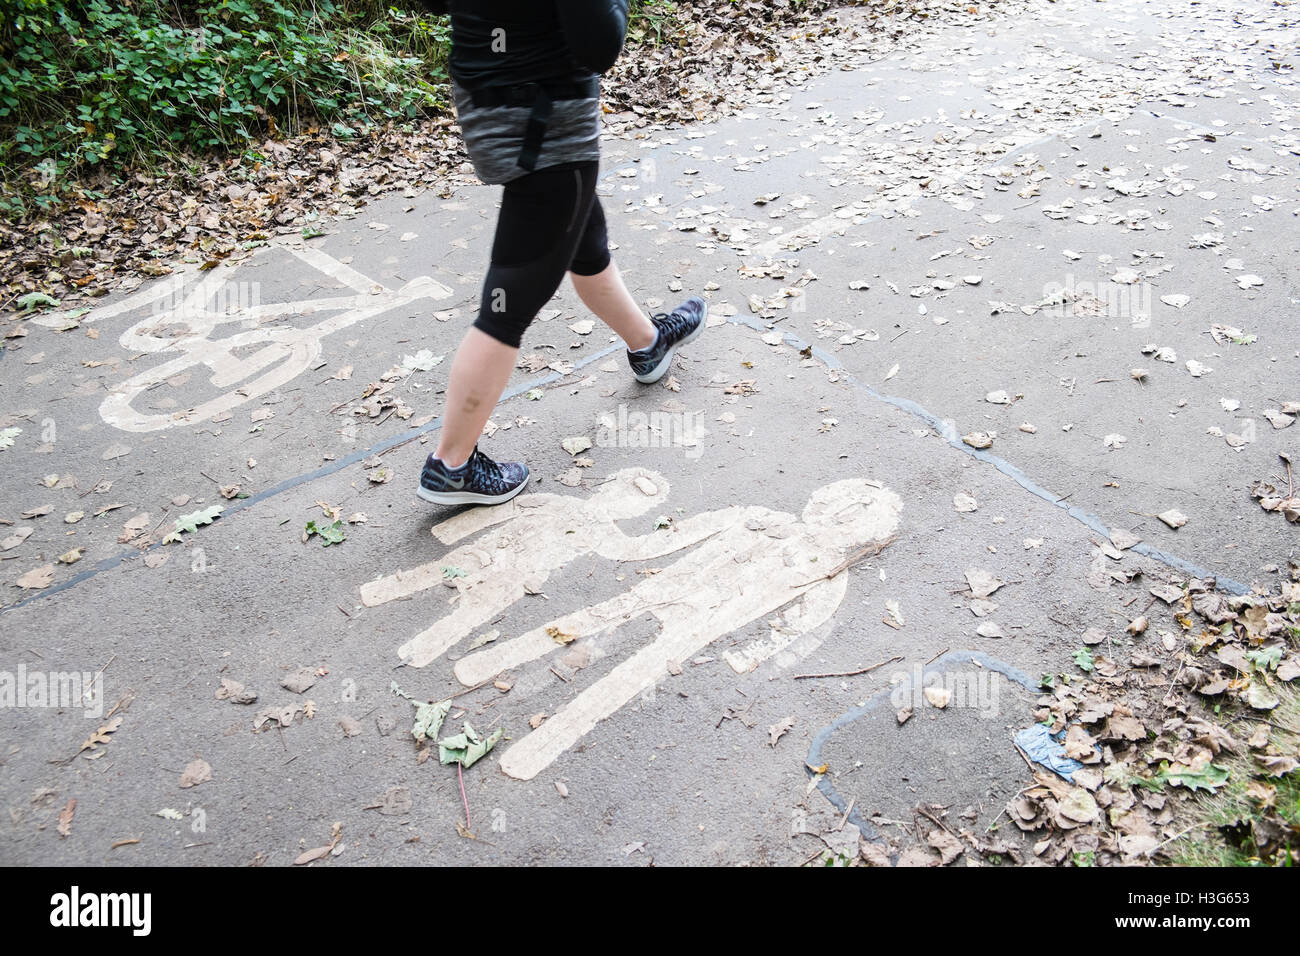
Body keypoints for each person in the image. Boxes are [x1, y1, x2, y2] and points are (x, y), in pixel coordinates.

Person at [413, 0, 707, 506]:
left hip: (494, 107)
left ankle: (648, 343)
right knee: (507, 306)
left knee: (580, 238)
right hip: (546, 130)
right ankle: (451, 465)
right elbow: (599, 45)